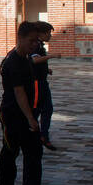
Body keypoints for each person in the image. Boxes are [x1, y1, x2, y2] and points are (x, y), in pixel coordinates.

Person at [0, 21, 48, 185]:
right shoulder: (13, 61)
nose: (35, 45)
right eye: (31, 41)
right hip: (13, 116)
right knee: (10, 154)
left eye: (37, 41)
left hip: (28, 115)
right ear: (20, 38)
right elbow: (19, 93)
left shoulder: (25, 58)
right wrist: (31, 119)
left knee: (34, 154)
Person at [31, 21, 59, 150]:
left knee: (48, 109)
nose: (50, 36)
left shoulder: (40, 45)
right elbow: (34, 60)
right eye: (48, 33)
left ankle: (44, 136)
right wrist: (50, 56)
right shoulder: (34, 45)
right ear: (40, 34)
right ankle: (31, 135)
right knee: (35, 110)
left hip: (43, 82)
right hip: (36, 83)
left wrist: (46, 69)